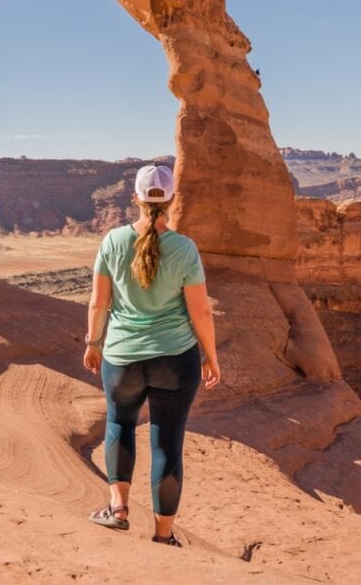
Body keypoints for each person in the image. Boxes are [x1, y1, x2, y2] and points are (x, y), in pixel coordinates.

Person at [83, 164, 220, 547]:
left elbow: (98, 302)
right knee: (168, 442)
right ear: (172, 200)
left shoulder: (112, 241)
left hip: (121, 358)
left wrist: (94, 344)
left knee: (120, 423)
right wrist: (209, 355)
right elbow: (201, 311)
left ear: (136, 200)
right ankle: (163, 536)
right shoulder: (184, 248)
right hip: (175, 360)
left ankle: (118, 509)